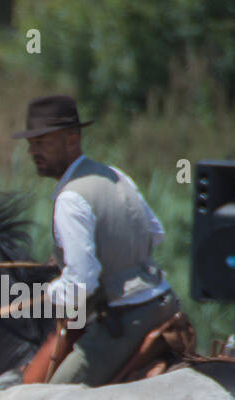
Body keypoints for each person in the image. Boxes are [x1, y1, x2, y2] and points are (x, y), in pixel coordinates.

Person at [15, 95, 179, 385]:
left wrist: (50, 292)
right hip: (165, 302)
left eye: (42, 142)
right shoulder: (116, 174)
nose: (32, 151)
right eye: (31, 143)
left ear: (72, 138)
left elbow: (81, 285)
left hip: (128, 316)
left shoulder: (70, 199)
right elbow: (155, 233)